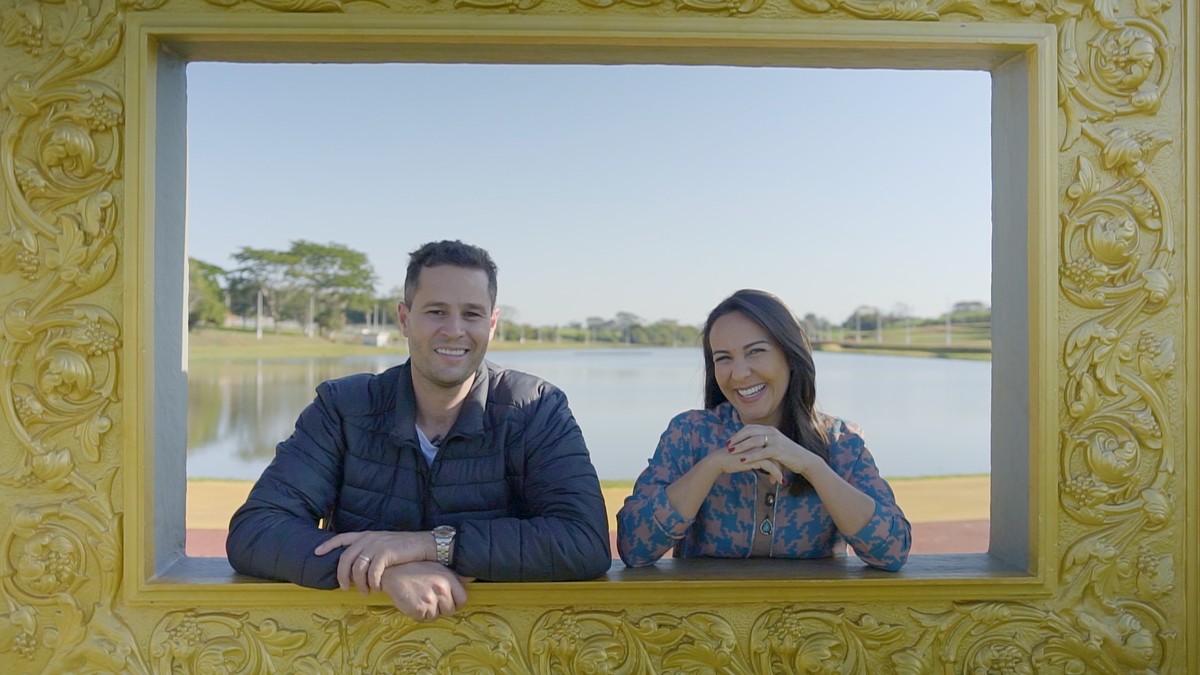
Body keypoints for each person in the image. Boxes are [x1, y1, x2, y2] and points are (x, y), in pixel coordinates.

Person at [226, 240, 611, 620]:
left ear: (492, 324)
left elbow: (584, 541)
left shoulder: (536, 408)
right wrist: (385, 569)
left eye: (472, 314)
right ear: (404, 318)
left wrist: (429, 547)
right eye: (436, 311)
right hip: (357, 650)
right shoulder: (343, 408)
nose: (455, 330)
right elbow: (255, 531)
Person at [616, 289, 911, 570]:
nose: (740, 373)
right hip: (705, 621)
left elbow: (893, 551)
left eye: (755, 352)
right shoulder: (689, 434)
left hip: (814, 621)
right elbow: (633, 548)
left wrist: (812, 466)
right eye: (724, 358)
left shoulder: (842, 442)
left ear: (790, 356)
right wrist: (712, 465)